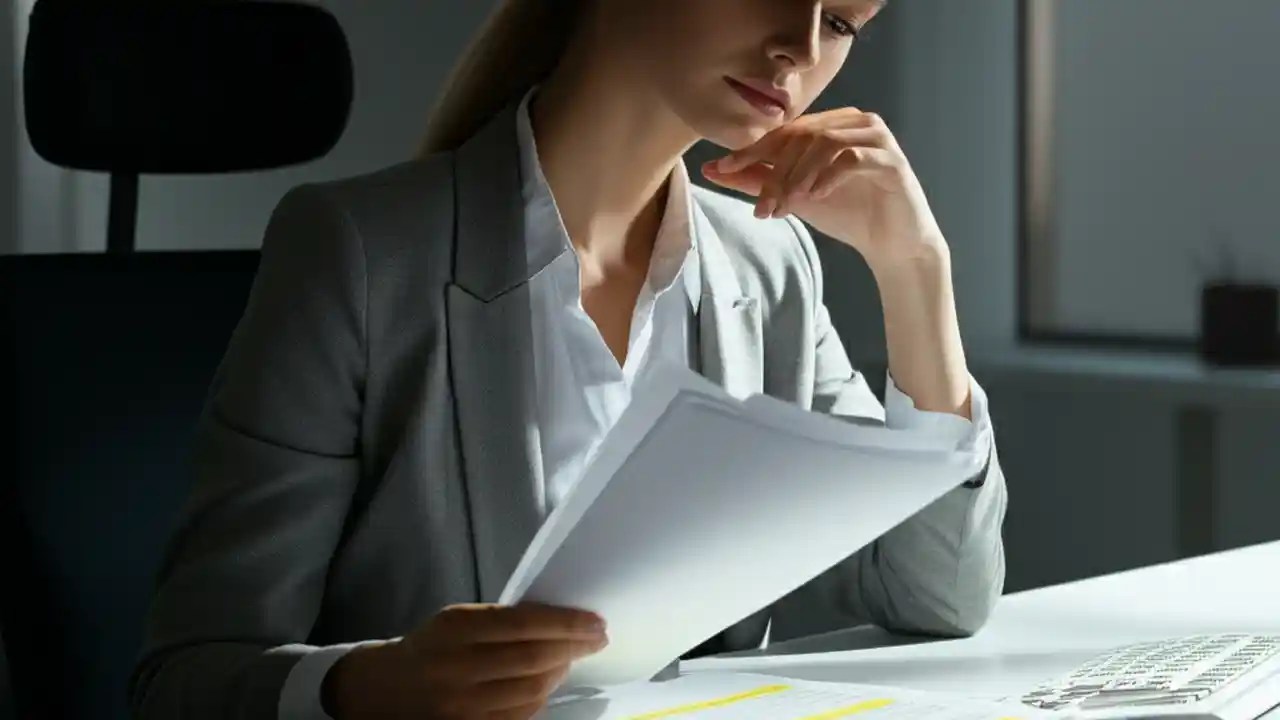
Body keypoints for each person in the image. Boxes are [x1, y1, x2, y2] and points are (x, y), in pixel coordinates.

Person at [129, 0, 1008, 718]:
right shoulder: (359, 253)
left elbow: (936, 594)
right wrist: (371, 686)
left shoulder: (768, 264)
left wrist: (915, 269)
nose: (802, 47)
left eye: (843, 22)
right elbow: (186, 680)